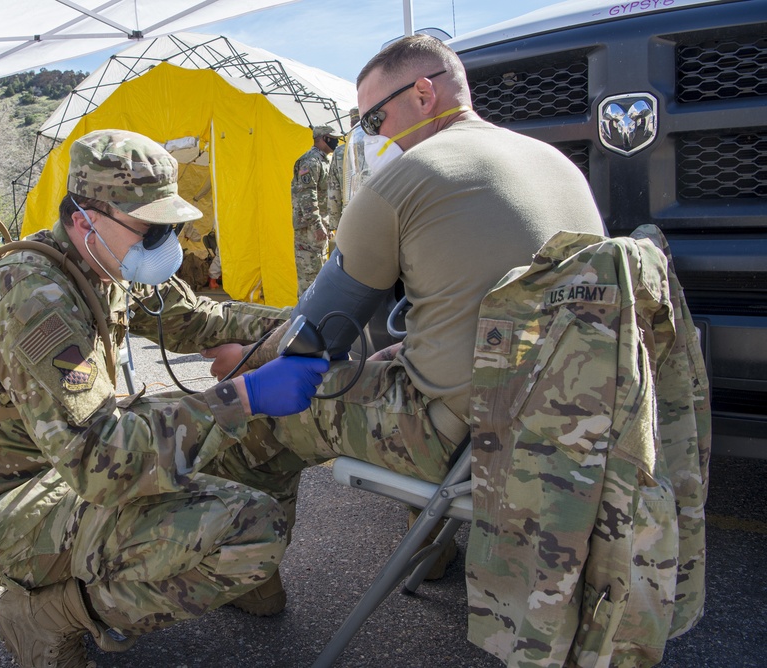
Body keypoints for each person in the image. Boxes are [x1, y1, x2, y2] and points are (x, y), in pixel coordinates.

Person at [0, 129, 328, 668]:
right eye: (150, 229)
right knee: (250, 526)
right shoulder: (36, 297)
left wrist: (304, 325)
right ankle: (47, 615)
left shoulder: (109, 258)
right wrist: (238, 398)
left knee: (269, 431)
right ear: (85, 217)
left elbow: (203, 319)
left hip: (58, 460)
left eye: (171, 226)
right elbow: (100, 462)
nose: (165, 243)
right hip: (2, 504)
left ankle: (223, 574)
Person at [203, 35, 607, 589]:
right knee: (399, 366)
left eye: (376, 117)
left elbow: (315, 334)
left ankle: (244, 584)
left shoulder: (400, 183)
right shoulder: (554, 164)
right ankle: (428, 554)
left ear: (423, 93)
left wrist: (246, 363)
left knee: (264, 417)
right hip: (567, 423)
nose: (377, 136)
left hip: (470, 437)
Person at [291, 125, 340, 295]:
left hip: (319, 227)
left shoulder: (323, 160)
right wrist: (316, 225)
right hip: (309, 229)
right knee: (309, 276)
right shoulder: (311, 161)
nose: (335, 141)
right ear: (323, 139)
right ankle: (304, 316)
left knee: (319, 273)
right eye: (332, 138)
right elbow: (306, 195)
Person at [326, 107, 359, 233]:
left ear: (351, 124)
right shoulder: (378, 146)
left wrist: (335, 224)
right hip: (375, 215)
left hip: (348, 217)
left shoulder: (341, 152)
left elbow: (333, 191)